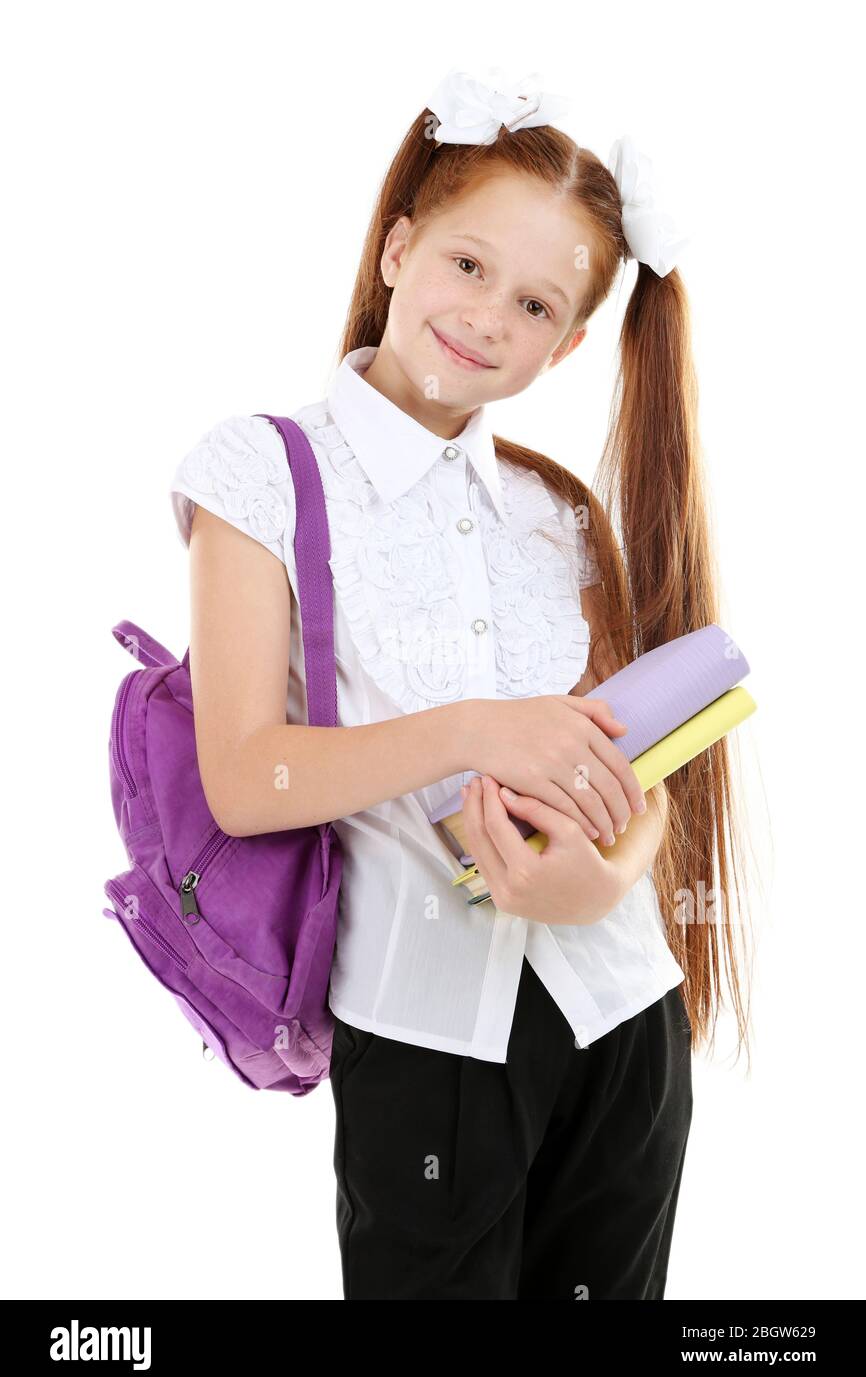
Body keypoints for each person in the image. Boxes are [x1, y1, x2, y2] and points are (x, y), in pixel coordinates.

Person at [169, 66, 752, 1300]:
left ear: (568, 343)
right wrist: (476, 730)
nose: (487, 317)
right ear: (397, 249)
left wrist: (612, 871)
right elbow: (244, 777)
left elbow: (628, 765)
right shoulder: (262, 473)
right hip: (425, 1039)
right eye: (467, 264)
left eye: (534, 303)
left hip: (623, 1016)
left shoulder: (554, 512)